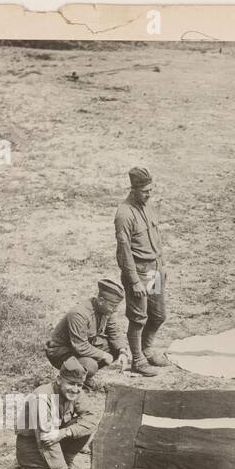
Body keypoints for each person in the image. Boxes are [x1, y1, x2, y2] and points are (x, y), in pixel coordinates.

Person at [0, 358, 97, 469]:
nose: (75, 389)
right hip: (32, 447)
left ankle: (66, 462)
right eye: (71, 383)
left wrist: (65, 432)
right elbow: (46, 439)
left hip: (52, 441)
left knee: (82, 427)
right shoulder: (41, 397)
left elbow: (91, 419)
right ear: (59, 379)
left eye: (79, 385)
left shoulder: (75, 392)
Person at [114, 166, 169, 376]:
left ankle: (146, 349)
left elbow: (156, 238)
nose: (149, 194)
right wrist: (134, 281)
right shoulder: (124, 214)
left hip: (153, 270)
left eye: (151, 190)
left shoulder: (149, 206)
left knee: (158, 314)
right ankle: (137, 360)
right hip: (138, 271)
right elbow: (124, 251)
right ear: (133, 189)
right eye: (145, 191)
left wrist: (161, 266)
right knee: (138, 318)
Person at [45, 278, 130, 388]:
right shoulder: (79, 314)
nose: (116, 309)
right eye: (113, 305)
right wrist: (103, 355)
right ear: (101, 301)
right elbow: (80, 346)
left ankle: (82, 377)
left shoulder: (106, 310)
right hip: (61, 351)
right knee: (90, 365)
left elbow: (115, 331)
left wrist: (122, 351)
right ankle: (69, 379)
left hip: (79, 347)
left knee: (116, 348)